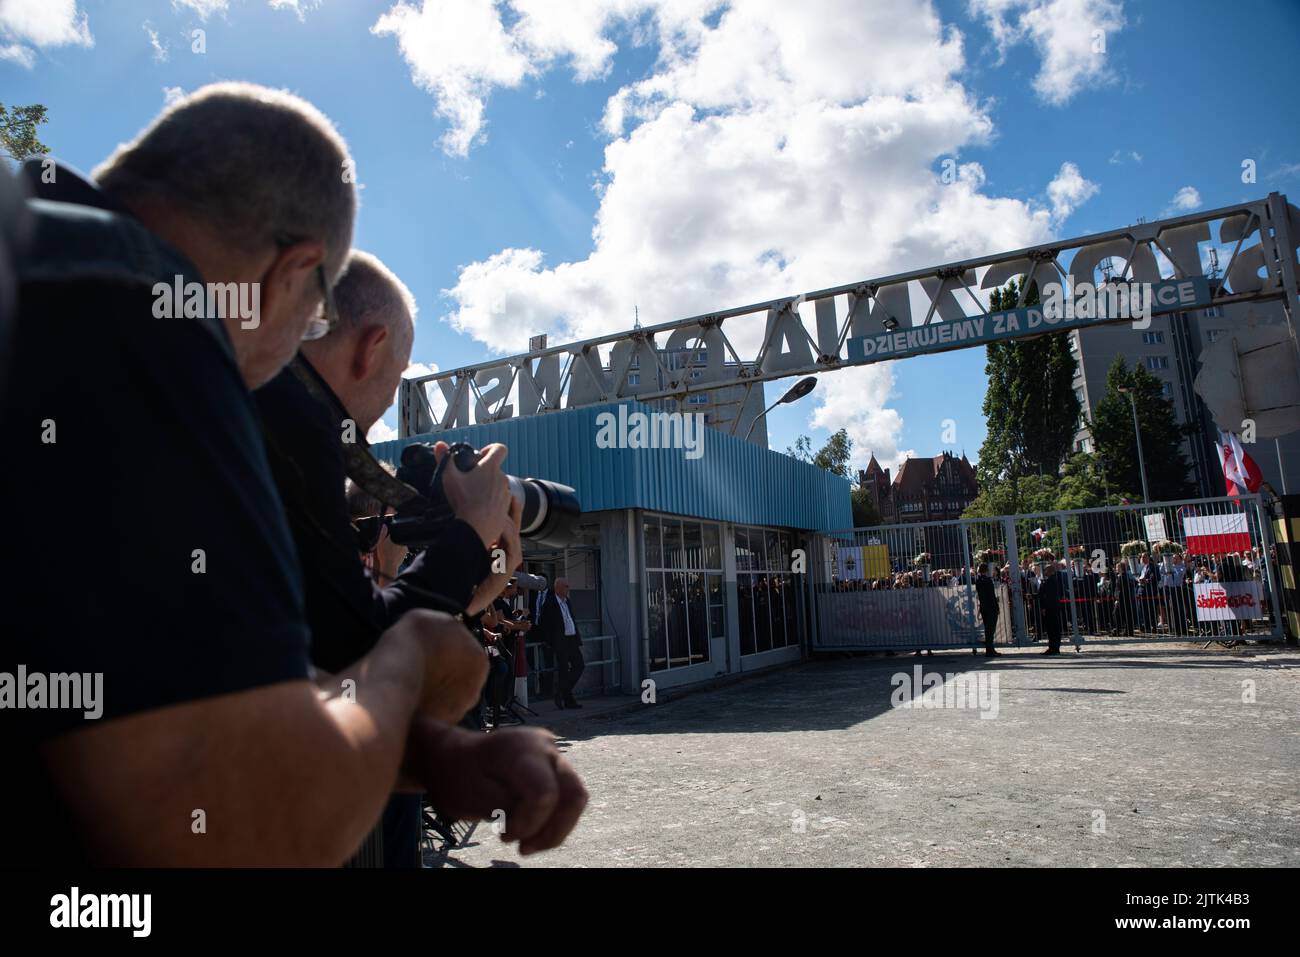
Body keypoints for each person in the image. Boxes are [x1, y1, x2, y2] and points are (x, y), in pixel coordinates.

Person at [0, 83, 585, 865]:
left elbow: (173, 689)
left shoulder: (42, 253)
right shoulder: (143, 308)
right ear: (294, 272)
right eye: (312, 320)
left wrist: (431, 759)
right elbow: (243, 821)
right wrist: (414, 654)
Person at [537, 577, 586, 709]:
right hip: (560, 641)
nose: (568, 588)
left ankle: (562, 692)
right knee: (564, 669)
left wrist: (577, 637)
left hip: (571, 639)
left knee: (579, 665)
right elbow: (544, 624)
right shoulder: (550, 602)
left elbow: (570, 619)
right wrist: (550, 641)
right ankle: (568, 699)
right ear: (558, 588)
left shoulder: (567, 601)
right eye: (565, 586)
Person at [1037, 563, 1064, 654]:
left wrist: (1044, 607)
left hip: (1051, 608)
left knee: (1052, 629)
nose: (1044, 572)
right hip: (1054, 607)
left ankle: (1053, 648)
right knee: (1053, 629)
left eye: (1045, 570)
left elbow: (1047, 596)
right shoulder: (1053, 580)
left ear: (1050, 571)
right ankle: (1054, 648)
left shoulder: (1050, 581)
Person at [975, 562, 1000, 657]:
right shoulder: (988, 580)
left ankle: (990, 649)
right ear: (986, 570)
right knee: (991, 630)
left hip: (984, 608)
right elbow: (991, 596)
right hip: (991, 608)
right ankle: (990, 650)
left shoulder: (978, 580)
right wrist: (997, 607)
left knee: (987, 629)